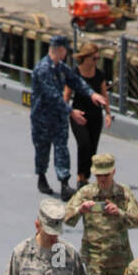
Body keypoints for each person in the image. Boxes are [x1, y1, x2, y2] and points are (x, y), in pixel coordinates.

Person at [30, 35, 107, 200]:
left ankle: (64, 184)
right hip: (42, 118)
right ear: (60, 49)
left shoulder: (61, 68)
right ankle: (41, 176)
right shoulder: (43, 69)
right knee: (43, 149)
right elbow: (53, 95)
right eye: (65, 50)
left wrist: (92, 94)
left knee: (62, 149)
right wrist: (71, 112)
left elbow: (76, 81)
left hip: (58, 116)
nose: (66, 53)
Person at [70, 43, 112, 189]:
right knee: (84, 144)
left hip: (95, 116)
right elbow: (66, 95)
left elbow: (104, 95)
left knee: (92, 149)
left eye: (98, 58)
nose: (96, 61)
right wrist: (66, 112)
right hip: (78, 115)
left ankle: (85, 178)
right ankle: (80, 176)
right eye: (94, 58)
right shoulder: (74, 74)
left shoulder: (99, 74)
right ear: (85, 58)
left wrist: (108, 114)